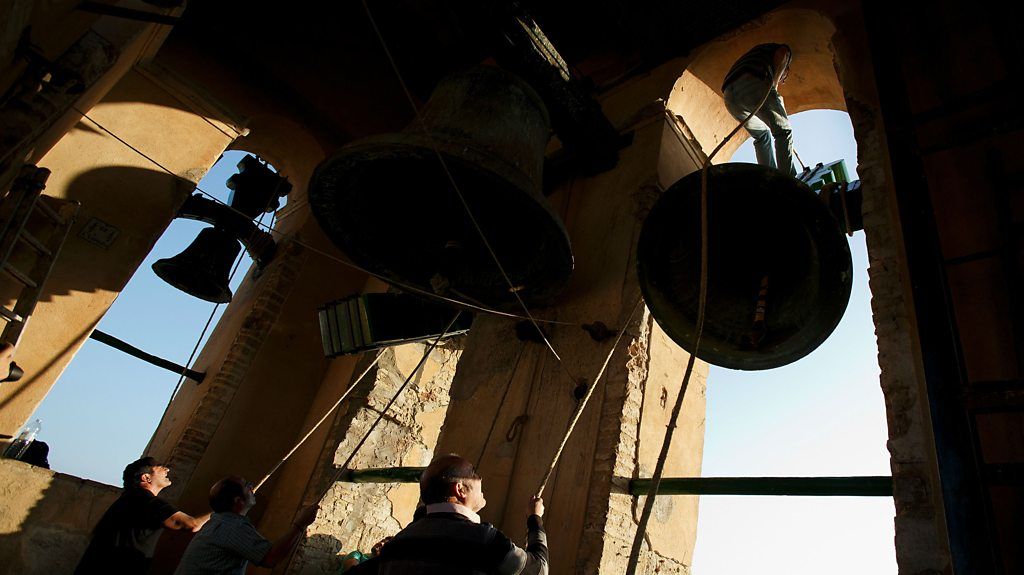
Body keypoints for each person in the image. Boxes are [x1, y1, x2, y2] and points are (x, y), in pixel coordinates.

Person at [353, 453, 548, 574]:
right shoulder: (485, 540)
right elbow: (539, 569)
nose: (480, 478)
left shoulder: (397, 544)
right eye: (473, 473)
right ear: (460, 489)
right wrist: (535, 519)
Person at [75, 457, 207, 574]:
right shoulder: (147, 502)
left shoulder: (129, 500)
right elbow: (192, 524)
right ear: (146, 478)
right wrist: (218, 510)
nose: (166, 469)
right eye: (159, 467)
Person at [174, 476, 319, 574]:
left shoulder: (217, 521)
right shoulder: (231, 526)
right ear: (238, 501)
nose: (252, 487)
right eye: (247, 485)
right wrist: (301, 524)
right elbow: (271, 558)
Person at [722, 43, 797, 176]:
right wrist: (774, 84)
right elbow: (783, 52)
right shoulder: (781, 52)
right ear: (786, 70)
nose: (782, 81)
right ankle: (788, 179)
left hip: (729, 96)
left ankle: (769, 177)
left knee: (762, 136)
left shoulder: (758, 54)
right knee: (783, 130)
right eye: (784, 78)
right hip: (751, 81)